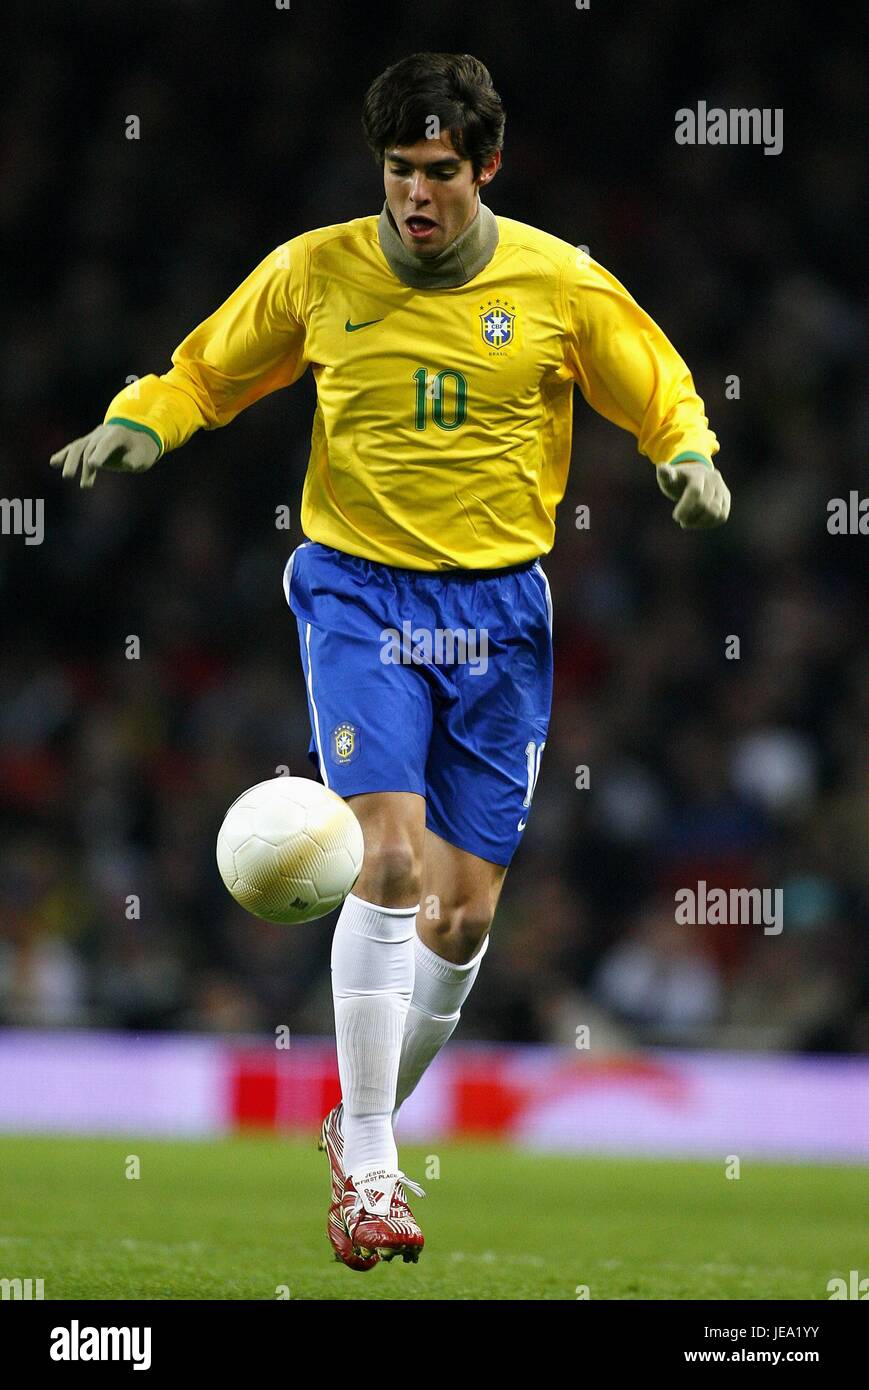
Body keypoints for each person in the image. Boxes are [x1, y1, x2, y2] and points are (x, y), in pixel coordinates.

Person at [50, 51, 730, 1273]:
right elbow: (211, 365)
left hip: (499, 617)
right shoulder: (317, 270)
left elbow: (654, 385)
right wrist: (141, 420)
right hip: (358, 592)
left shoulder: (559, 285)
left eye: (437, 174)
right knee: (394, 854)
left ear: (485, 169)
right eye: (397, 172)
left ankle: (356, 1123)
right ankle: (370, 1160)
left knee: (465, 921)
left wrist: (687, 454)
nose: (413, 197)